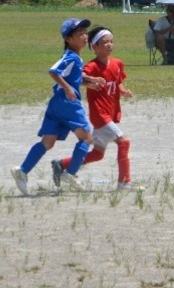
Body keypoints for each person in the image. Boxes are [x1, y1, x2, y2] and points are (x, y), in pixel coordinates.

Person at [11, 18, 105, 195]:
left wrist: (90, 81)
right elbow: (54, 71)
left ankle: (22, 171)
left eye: (85, 33)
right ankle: (70, 174)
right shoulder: (71, 56)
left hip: (57, 104)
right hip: (68, 104)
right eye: (79, 34)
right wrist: (69, 88)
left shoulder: (75, 57)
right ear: (68, 39)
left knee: (48, 142)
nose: (85, 36)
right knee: (86, 139)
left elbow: (73, 78)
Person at [52, 27, 135, 190]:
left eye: (111, 41)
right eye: (104, 42)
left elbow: (117, 81)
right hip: (99, 114)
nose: (109, 45)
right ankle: (124, 182)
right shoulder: (92, 66)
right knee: (123, 142)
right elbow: (79, 77)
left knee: (97, 154)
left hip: (109, 113)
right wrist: (90, 80)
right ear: (94, 47)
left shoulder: (117, 63)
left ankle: (62, 164)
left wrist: (123, 90)